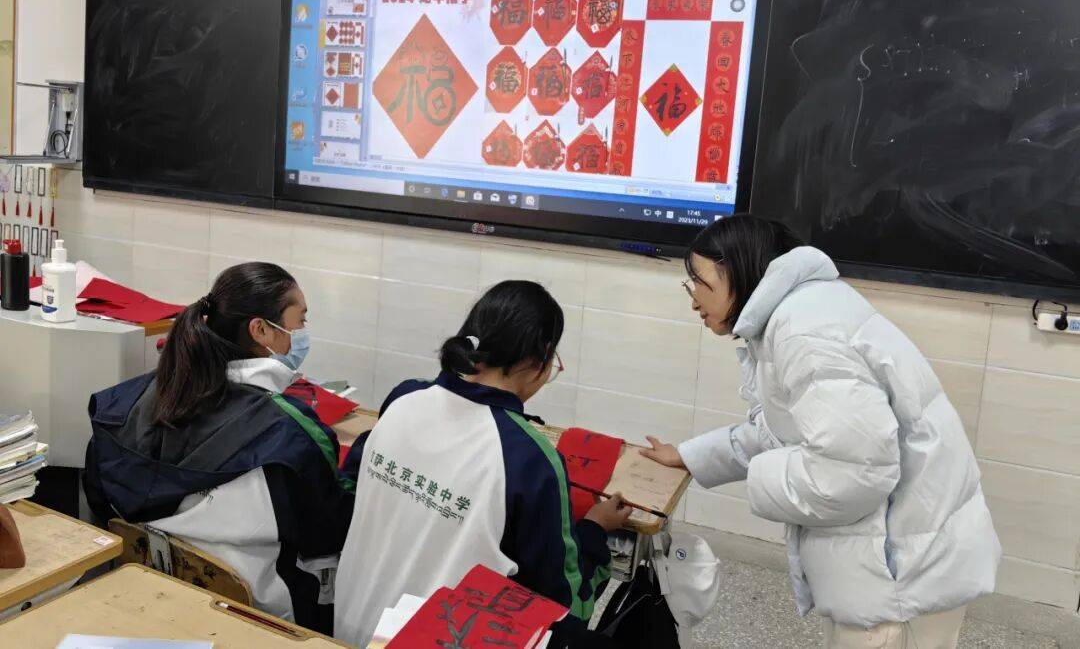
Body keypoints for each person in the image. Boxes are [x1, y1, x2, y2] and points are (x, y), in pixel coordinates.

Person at [642, 215, 1000, 649]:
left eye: (698, 282)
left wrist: (761, 479)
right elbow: (783, 434)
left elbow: (852, 473)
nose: (693, 299)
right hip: (898, 557)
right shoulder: (798, 313)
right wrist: (689, 455)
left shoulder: (804, 332)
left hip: (899, 578)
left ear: (738, 269)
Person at [334, 280, 631, 648]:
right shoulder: (529, 457)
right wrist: (596, 532)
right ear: (538, 361)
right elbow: (563, 602)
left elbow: (350, 489)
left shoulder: (404, 397)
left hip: (346, 626)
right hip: (429, 640)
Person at [83, 262, 353, 632]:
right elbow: (330, 530)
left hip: (146, 594)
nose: (301, 333)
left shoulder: (129, 402)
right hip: (255, 617)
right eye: (299, 321)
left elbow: (98, 495)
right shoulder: (289, 433)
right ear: (260, 330)